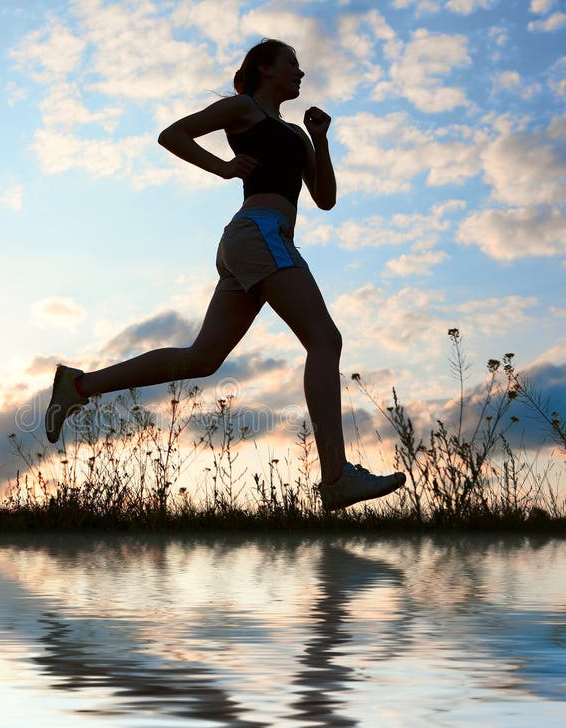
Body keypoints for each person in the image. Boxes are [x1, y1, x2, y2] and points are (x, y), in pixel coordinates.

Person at [44, 39, 405, 511]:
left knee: (202, 359)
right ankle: (336, 476)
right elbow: (173, 134)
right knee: (325, 341)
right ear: (265, 68)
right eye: (292, 64)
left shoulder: (296, 135)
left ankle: (77, 386)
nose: (301, 72)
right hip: (259, 233)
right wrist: (225, 168)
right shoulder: (243, 108)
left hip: (254, 243)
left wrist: (320, 138)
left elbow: (325, 198)